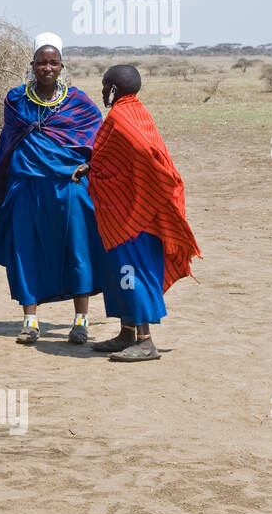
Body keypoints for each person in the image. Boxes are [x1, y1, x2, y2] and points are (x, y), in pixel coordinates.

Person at [74, 65, 201, 362]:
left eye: (105, 85)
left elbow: (144, 153)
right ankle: (126, 333)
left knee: (133, 274)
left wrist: (144, 182)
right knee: (120, 274)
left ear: (114, 89)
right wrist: (94, 167)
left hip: (133, 215)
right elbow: (124, 156)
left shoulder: (121, 116)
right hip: (124, 211)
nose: (102, 90)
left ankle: (146, 342)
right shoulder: (135, 111)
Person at [0, 37, 104, 345]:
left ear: (62, 66)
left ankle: (81, 321)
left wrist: (88, 167)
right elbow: (9, 145)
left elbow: (98, 140)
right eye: (42, 62)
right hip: (27, 188)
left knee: (77, 249)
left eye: (53, 62)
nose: (47, 68)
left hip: (70, 188)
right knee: (25, 249)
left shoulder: (78, 102)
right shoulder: (16, 100)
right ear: (32, 66)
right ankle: (30, 320)